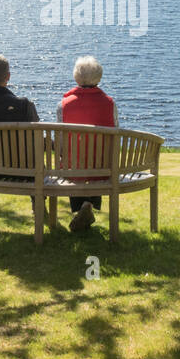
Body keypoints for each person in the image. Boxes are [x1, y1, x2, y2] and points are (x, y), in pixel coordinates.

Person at [56, 55, 118, 233]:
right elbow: (115, 133)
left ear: (76, 77)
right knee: (94, 160)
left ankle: (82, 207)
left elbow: (60, 141)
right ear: (99, 77)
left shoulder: (64, 105)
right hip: (103, 167)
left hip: (72, 168)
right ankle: (88, 205)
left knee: (75, 162)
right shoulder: (110, 103)